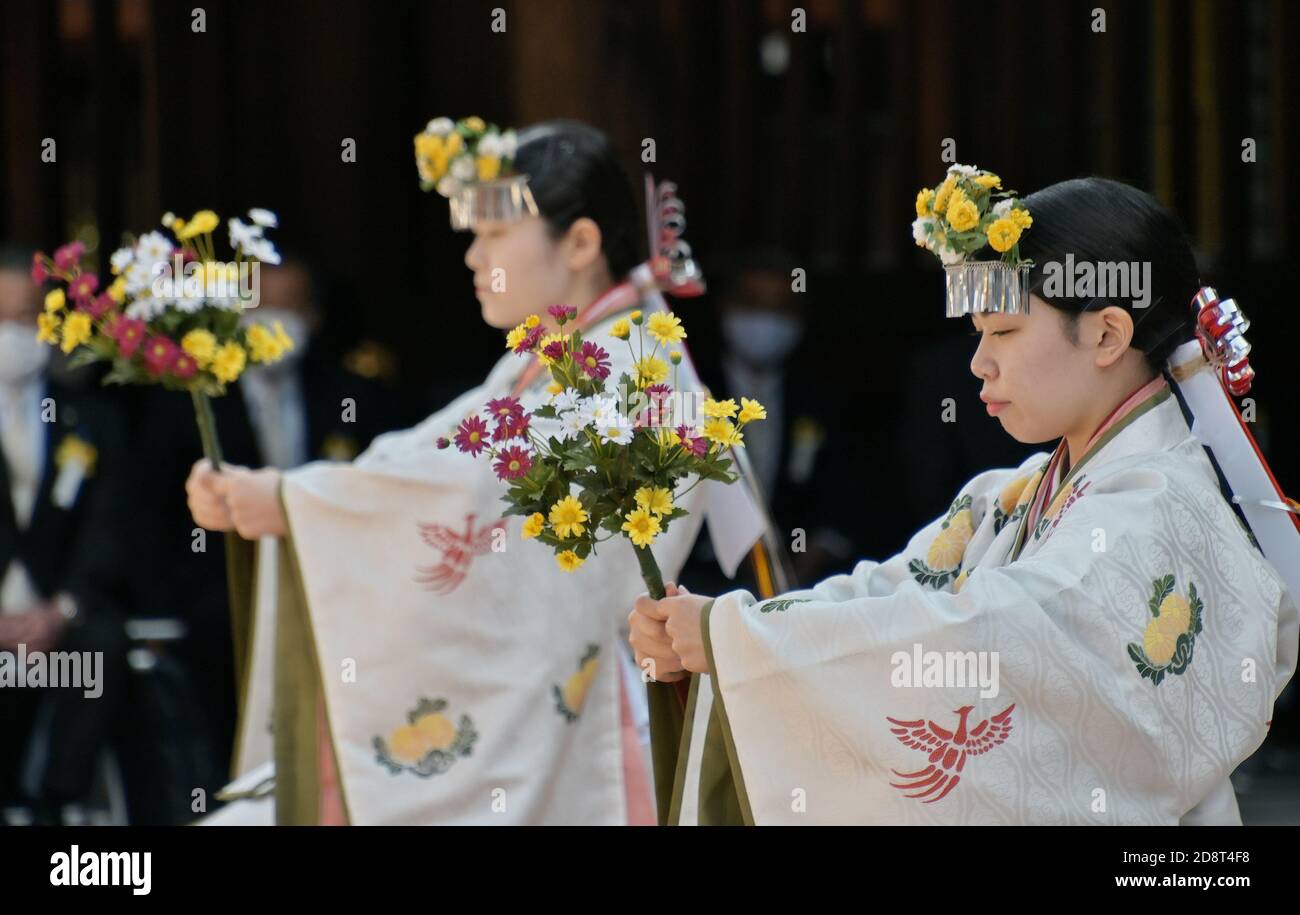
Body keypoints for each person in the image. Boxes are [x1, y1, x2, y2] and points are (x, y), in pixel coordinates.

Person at [630, 174, 1299, 825]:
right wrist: (726, 627)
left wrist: (740, 639)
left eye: (1003, 331)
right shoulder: (1017, 491)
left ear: (1106, 334)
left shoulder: (1159, 505)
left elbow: (987, 632)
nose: (979, 361)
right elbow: (896, 593)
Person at [186, 119, 738, 824]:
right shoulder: (568, 346)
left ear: (580, 241)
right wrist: (286, 494)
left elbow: (475, 484)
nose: (475, 257)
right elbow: (441, 450)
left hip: (562, 720)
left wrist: (297, 502)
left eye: (494, 235)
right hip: (540, 708)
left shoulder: (635, 359)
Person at [0, 243, 130, 825]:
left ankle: (56, 804)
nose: (11, 333)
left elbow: (109, 526)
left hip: (60, 612)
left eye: (23, 317)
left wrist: (61, 609)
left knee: (102, 646)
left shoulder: (88, 417)